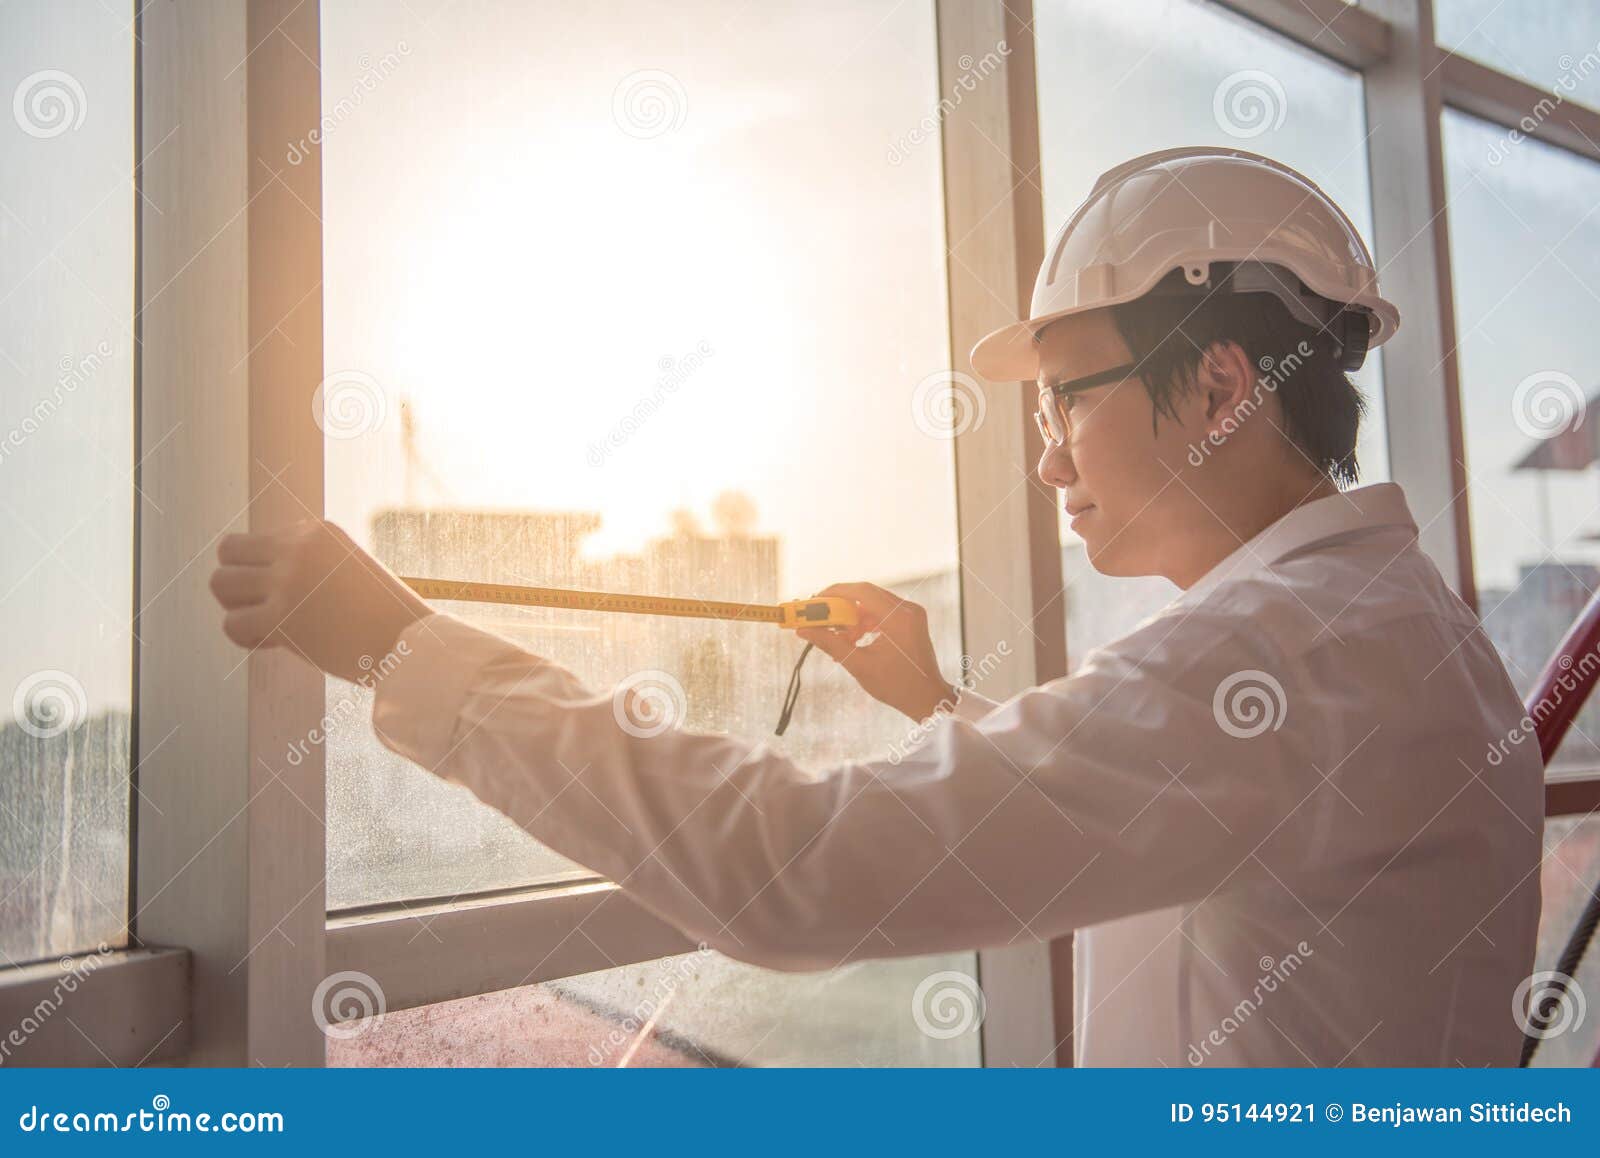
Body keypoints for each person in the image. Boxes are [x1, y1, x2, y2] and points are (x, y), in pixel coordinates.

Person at [209, 147, 1543, 1066]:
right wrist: (938, 706)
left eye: (1063, 397)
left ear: (1217, 391)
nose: (1047, 458)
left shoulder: (1286, 656)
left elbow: (794, 868)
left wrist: (406, 649)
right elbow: (1175, 803)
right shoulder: (1380, 631)